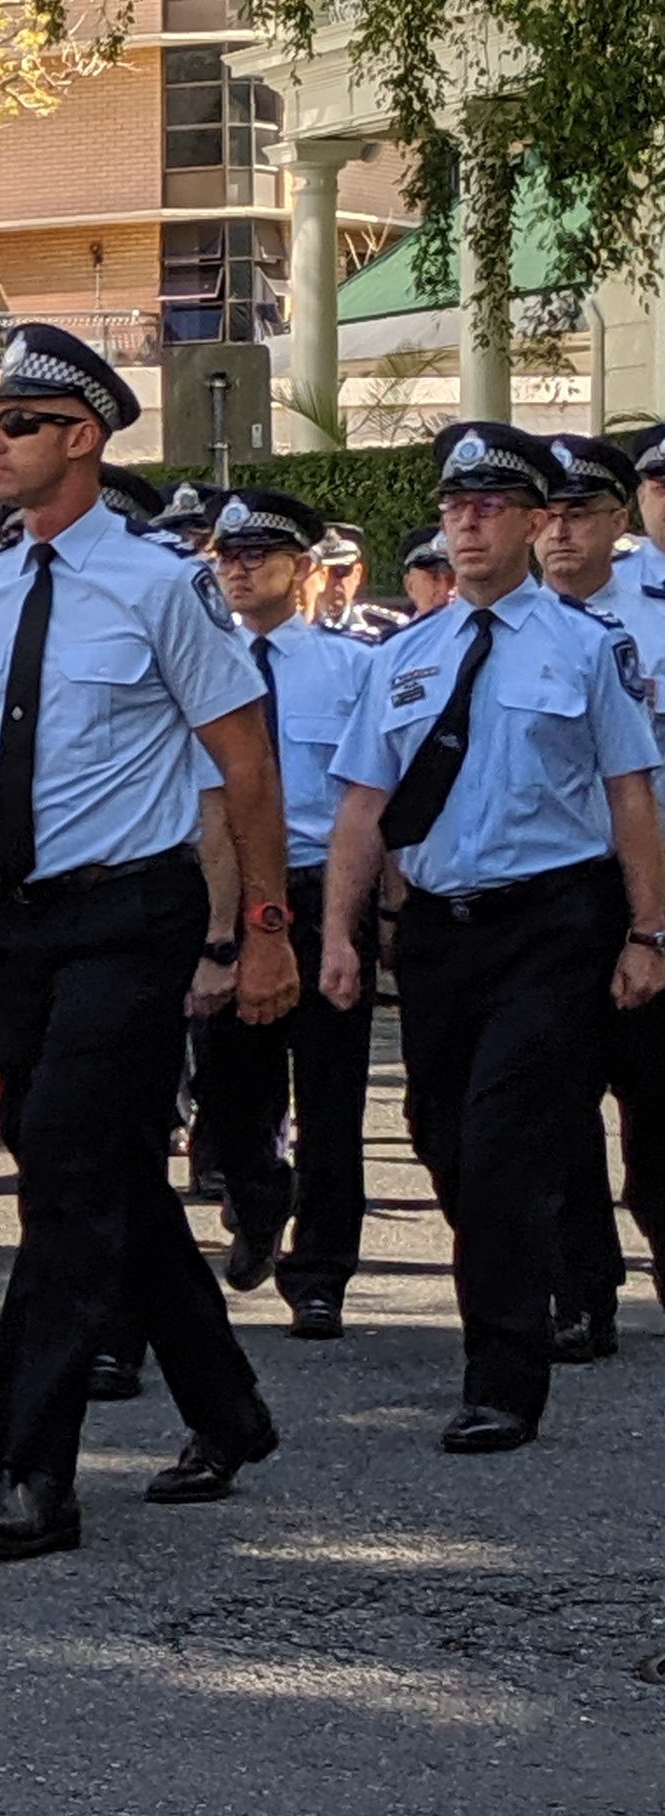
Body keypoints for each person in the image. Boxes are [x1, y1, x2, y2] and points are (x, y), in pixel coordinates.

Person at [0, 323, 295, 1558]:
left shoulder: (162, 582)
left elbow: (244, 761)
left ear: (83, 437)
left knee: (70, 1179)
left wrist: (261, 929)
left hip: (132, 916)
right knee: (98, 1173)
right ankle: (228, 1405)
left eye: (21, 422)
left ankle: (29, 1471)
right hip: (29, 923)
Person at [321, 421, 665, 1452]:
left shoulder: (588, 647)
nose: (466, 524)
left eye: (488, 506)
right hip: (439, 929)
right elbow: (360, 808)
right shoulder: (405, 658)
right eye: (453, 507)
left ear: (530, 522)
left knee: (512, 1139)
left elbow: (630, 796)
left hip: (553, 920)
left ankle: (502, 1374)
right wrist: (341, 934)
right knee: (444, 1134)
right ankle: (523, 1279)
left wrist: (648, 929)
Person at [188, 490, 378, 1341]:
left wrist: (356, 919)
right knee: (228, 1085)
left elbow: (371, 799)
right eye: (226, 555)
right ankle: (258, 1197)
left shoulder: (355, 668)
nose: (237, 569)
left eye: (258, 556)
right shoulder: (197, 662)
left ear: (303, 568)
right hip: (223, 895)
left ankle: (322, 1270)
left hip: (317, 887)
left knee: (332, 1094)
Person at [531, 433, 665, 1346]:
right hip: (555, 893)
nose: (562, 534)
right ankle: (584, 1290)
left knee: (655, 1105)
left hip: (653, 887)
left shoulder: (654, 615)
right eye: (549, 516)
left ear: (620, 520)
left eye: (581, 513)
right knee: (556, 1103)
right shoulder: (498, 627)